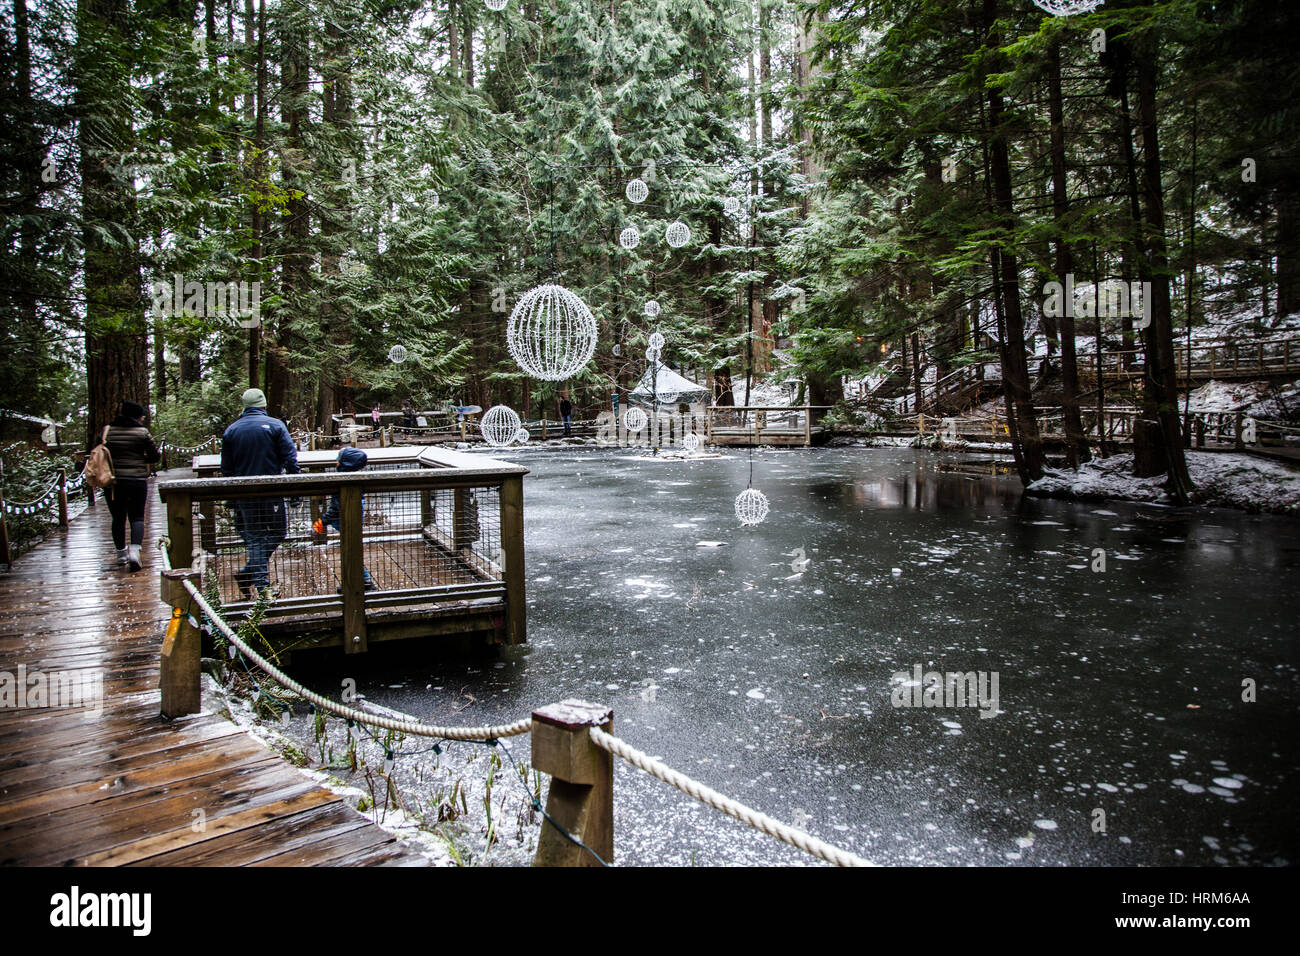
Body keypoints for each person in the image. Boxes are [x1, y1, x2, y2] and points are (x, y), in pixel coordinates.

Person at [221, 387, 301, 599]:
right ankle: (263, 587)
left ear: (245, 407)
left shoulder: (232, 430)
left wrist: (231, 497)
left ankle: (249, 574)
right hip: (271, 490)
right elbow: (291, 459)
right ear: (264, 406)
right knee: (275, 533)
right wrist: (296, 489)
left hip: (244, 493)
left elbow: (227, 469)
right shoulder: (276, 426)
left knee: (257, 536)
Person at [95, 400, 161, 572]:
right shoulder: (142, 432)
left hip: (113, 482)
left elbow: (97, 451)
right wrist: (140, 460)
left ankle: (121, 554)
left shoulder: (106, 431)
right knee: (137, 517)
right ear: (137, 416)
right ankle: (134, 550)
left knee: (117, 517)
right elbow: (155, 456)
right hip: (136, 480)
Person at [312, 447, 377, 592]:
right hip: (349, 522)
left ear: (344, 463)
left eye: (338, 460)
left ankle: (362, 582)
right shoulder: (352, 478)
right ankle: (360, 581)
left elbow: (336, 509)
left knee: (351, 552)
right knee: (351, 551)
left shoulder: (343, 480)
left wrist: (322, 522)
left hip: (347, 522)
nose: (336, 462)